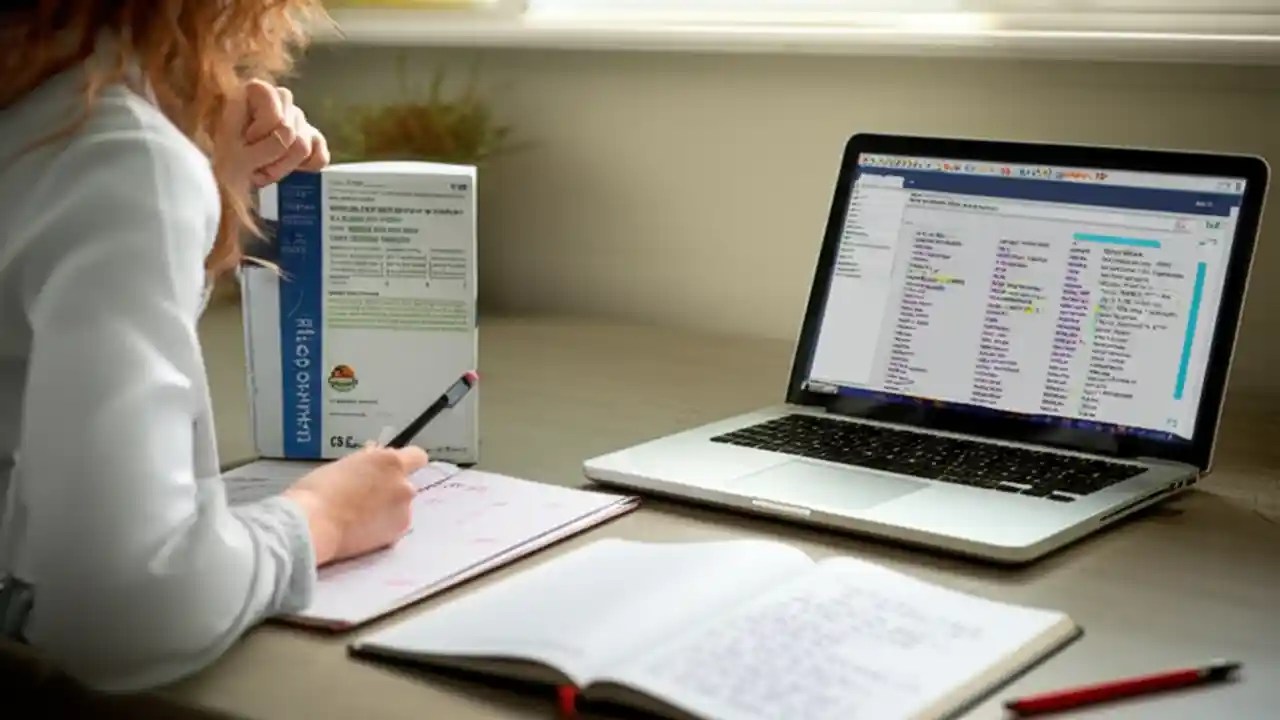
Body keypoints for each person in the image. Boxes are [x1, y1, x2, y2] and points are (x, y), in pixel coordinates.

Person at [0, 0, 429, 694]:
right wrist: (320, 517)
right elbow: (125, 611)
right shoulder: (113, 152)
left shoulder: (40, 112)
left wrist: (211, 182)